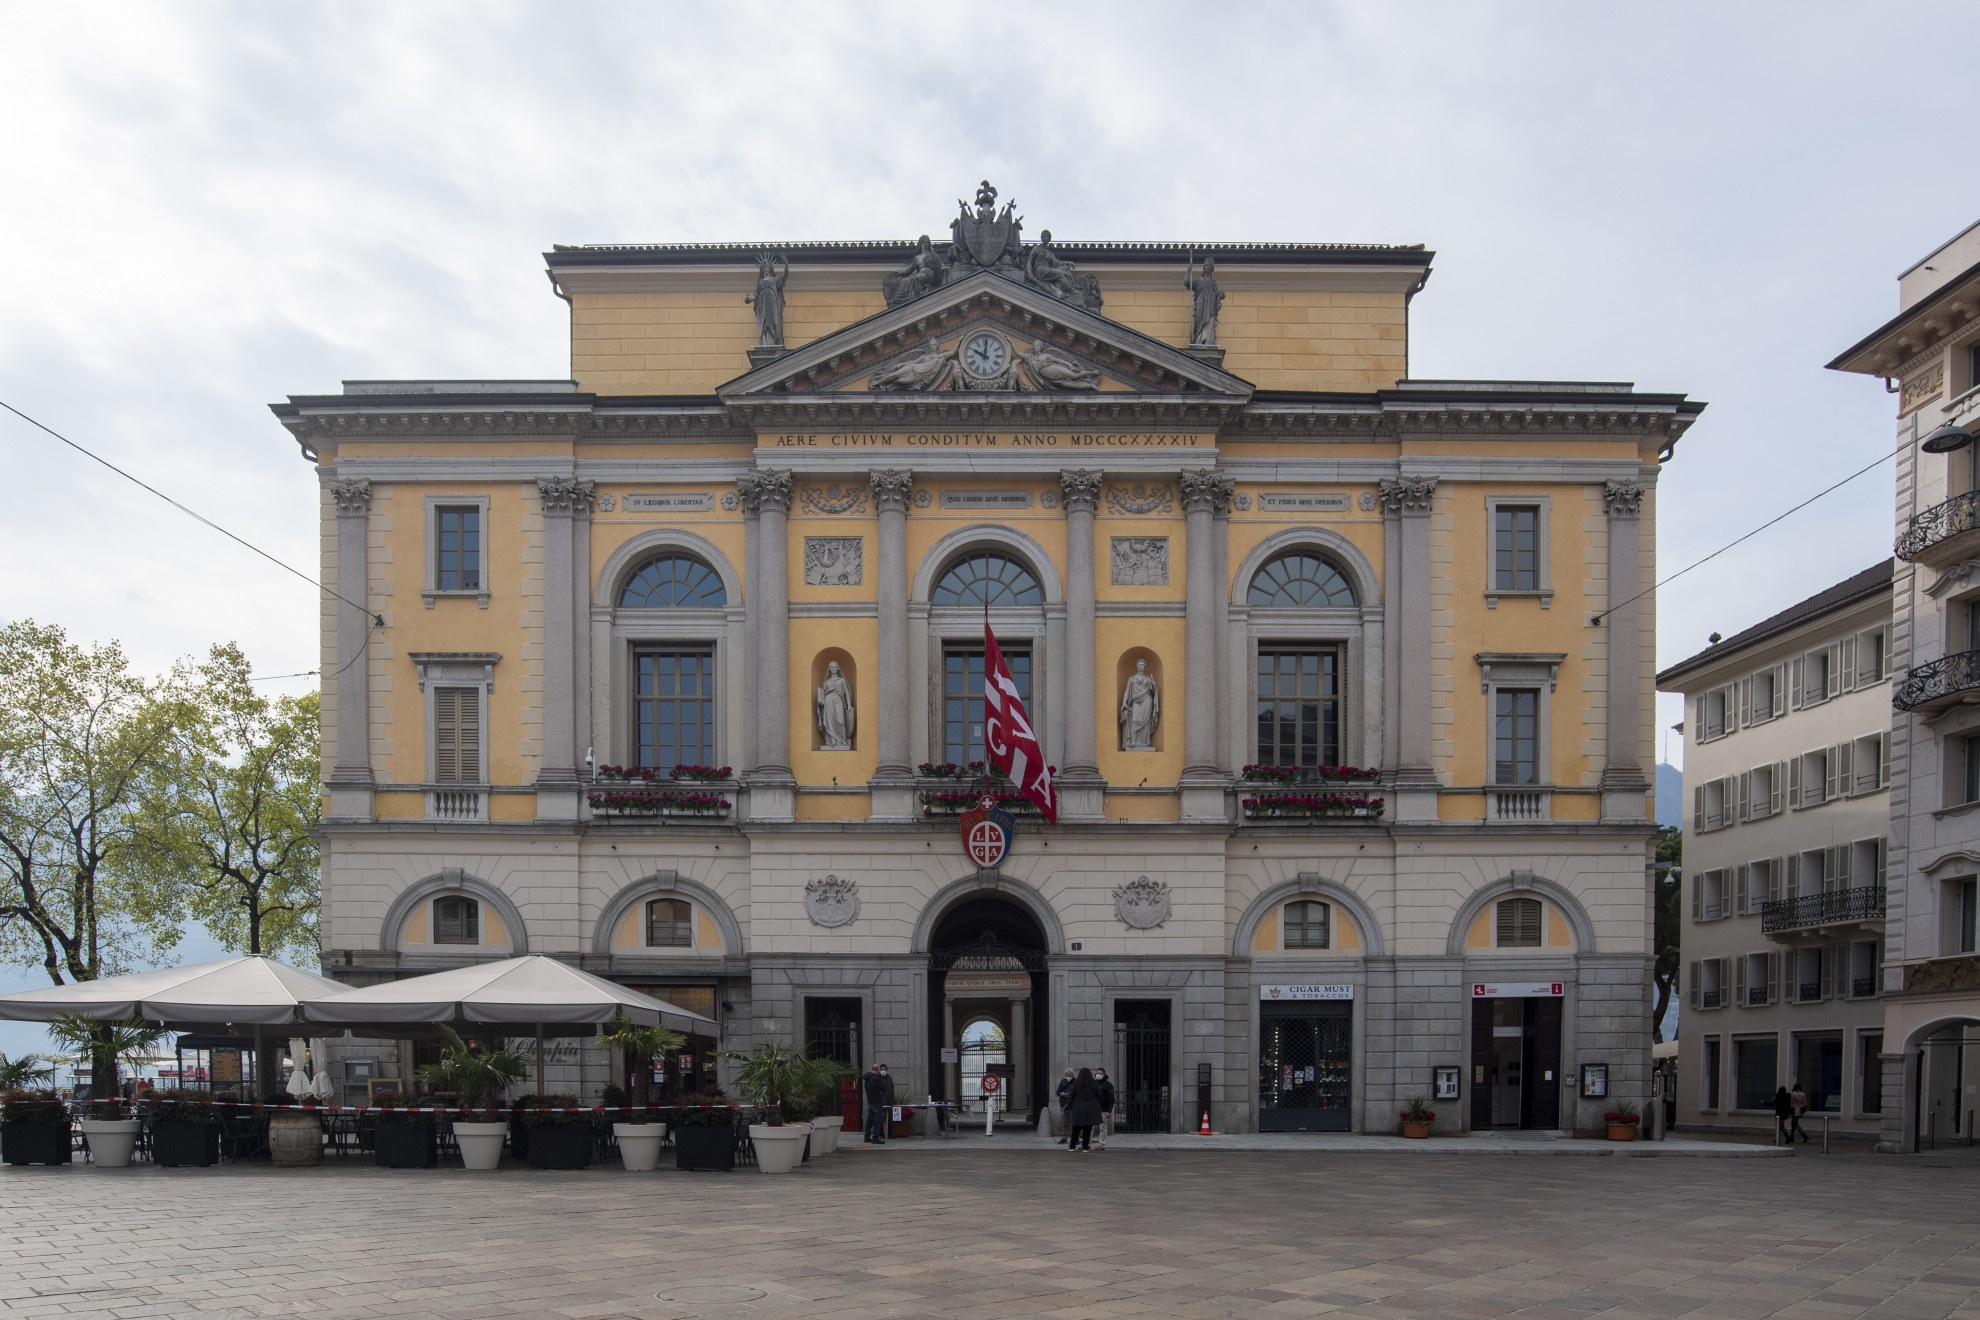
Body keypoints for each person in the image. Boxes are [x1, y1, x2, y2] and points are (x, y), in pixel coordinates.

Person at [1066, 1067, 1103, 1153]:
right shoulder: (1093, 1083)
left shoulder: (1076, 1083)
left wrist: (1067, 1106)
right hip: (1090, 1107)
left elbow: (1071, 1095)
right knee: (1087, 1128)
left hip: (1078, 1106)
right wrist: (1094, 1101)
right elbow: (1099, 1094)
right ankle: (1085, 1147)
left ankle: (1072, 1146)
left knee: (1076, 1128)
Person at [861, 1063, 894, 1145]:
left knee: (869, 1120)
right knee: (877, 1120)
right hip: (877, 1102)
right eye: (880, 1069)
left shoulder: (867, 1078)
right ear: (877, 1070)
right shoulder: (875, 1078)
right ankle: (875, 1137)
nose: (881, 1071)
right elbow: (883, 1088)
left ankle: (867, 1136)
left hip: (870, 1101)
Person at [1095, 1067, 1117, 1150]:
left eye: (1100, 1074)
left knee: (1103, 1127)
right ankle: (1087, 1143)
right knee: (1090, 1127)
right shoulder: (1093, 1083)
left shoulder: (1108, 1085)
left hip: (1103, 1109)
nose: (1098, 1075)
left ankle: (1102, 1143)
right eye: (1097, 1073)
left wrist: (1109, 1110)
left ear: (1104, 1074)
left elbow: (1111, 1099)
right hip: (1094, 1108)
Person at [1055, 1068, 1075, 1144]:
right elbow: (1058, 1092)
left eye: (1069, 1074)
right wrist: (1061, 1094)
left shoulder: (1076, 1082)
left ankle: (1074, 1137)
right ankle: (1064, 1137)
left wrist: (1069, 1095)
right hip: (1063, 1104)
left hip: (1072, 1105)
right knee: (1064, 1122)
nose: (1068, 1075)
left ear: (1072, 1074)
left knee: (1073, 1122)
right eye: (1067, 1074)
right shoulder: (1063, 1081)